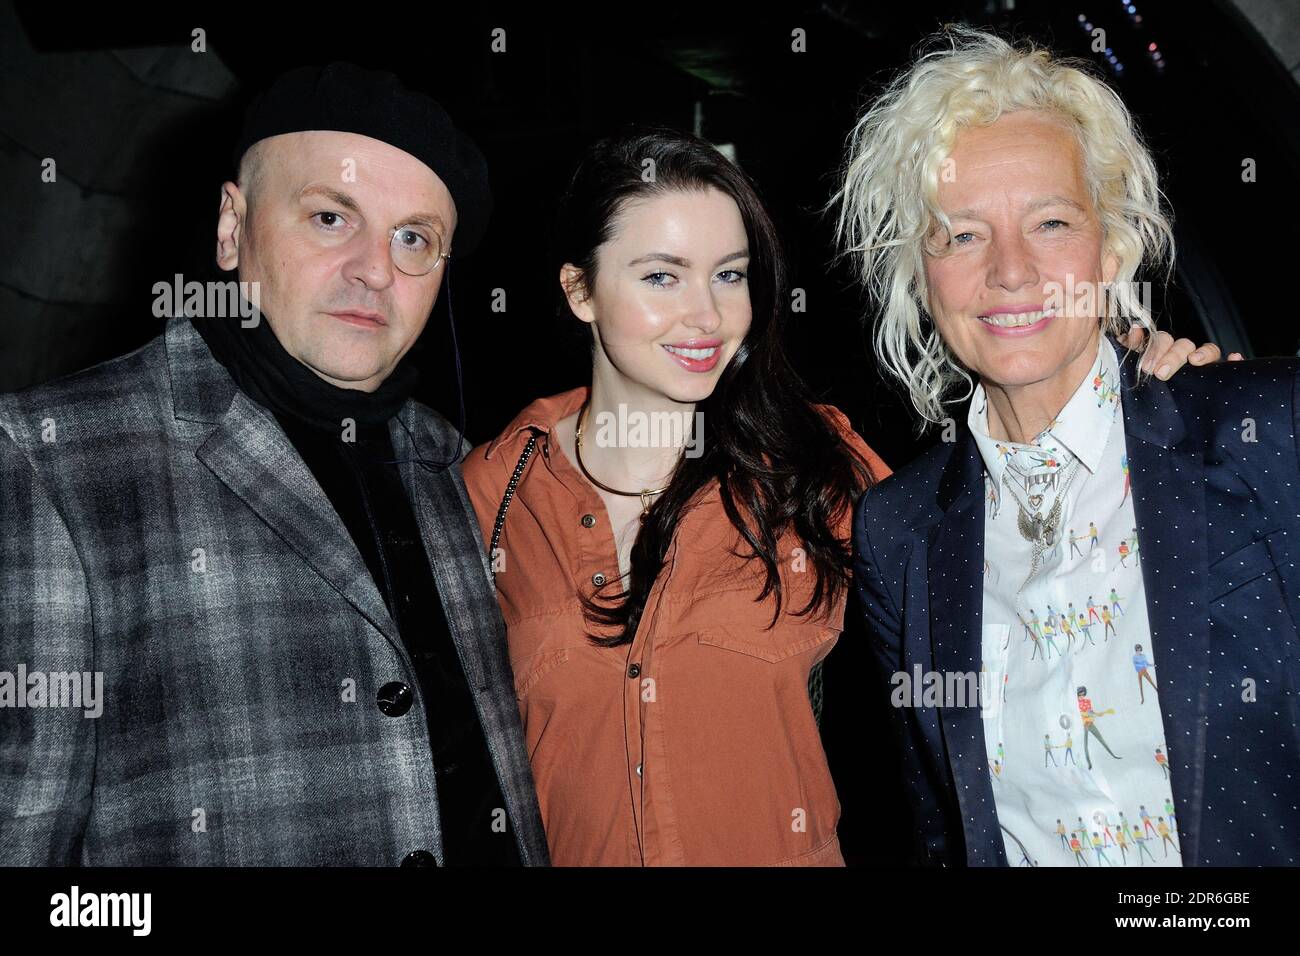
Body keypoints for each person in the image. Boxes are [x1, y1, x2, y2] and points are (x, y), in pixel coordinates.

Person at [461, 126, 1202, 866]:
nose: (707, 316)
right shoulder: (488, 494)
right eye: (661, 277)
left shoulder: (814, 466)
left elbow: (1009, 547)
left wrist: (1137, 395)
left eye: (729, 275)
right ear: (580, 290)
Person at [0, 63, 548, 866]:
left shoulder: (463, 468)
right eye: (331, 217)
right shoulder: (57, 458)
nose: (375, 269)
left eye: (414, 239)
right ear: (232, 227)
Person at [839, 26, 1298, 866]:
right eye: (963, 233)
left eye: (1050, 222)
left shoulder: (1265, 430)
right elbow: (940, 830)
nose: (1010, 271)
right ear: (918, 270)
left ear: (1110, 247)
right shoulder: (896, 529)